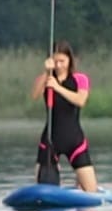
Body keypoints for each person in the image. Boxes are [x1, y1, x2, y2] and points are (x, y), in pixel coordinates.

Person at [31, 45, 93, 185]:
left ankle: (79, 188)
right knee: (43, 186)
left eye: (62, 61)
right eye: (55, 61)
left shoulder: (80, 79)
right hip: (50, 140)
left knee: (90, 189)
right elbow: (34, 95)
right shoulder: (45, 79)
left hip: (75, 140)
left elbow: (80, 100)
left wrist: (57, 88)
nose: (59, 65)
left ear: (70, 60)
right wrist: (47, 73)